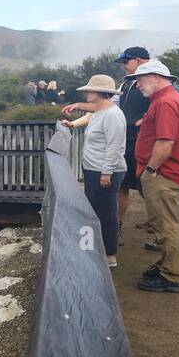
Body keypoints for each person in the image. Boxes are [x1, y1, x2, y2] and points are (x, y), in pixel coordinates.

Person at [64, 46, 151, 245]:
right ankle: (114, 230)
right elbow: (102, 107)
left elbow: (110, 123)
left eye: (126, 62)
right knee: (122, 190)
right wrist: (77, 114)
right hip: (126, 144)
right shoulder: (127, 85)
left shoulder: (152, 84)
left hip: (140, 144)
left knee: (148, 188)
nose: (124, 67)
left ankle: (160, 232)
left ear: (137, 61)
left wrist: (148, 119)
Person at [133, 59, 179, 293]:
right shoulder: (169, 99)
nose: (137, 85)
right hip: (164, 173)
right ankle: (168, 265)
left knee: (165, 225)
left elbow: (166, 142)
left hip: (161, 175)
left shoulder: (166, 102)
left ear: (156, 77)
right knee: (164, 223)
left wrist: (149, 170)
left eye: (140, 79)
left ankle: (173, 277)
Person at [61, 75, 126, 267]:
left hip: (104, 172)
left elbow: (114, 147)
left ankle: (109, 255)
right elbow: (90, 112)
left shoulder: (112, 115)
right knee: (95, 210)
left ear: (98, 92)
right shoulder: (100, 111)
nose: (87, 93)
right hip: (94, 169)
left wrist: (107, 172)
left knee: (106, 212)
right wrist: (73, 121)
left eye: (89, 90)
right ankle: (96, 249)